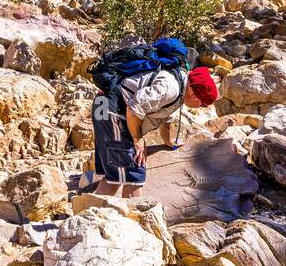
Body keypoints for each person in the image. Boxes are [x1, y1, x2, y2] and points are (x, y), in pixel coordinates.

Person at [89, 61, 219, 198]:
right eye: (203, 105)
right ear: (194, 95)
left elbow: (166, 119)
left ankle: (102, 210)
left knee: (119, 171)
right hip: (109, 109)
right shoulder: (171, 88)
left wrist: (168, 141)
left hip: (104, 105)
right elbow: (134, 107)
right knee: (131, 173)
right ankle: (115, 215)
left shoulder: (180, 84)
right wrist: (137, 139)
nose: (200, 107)